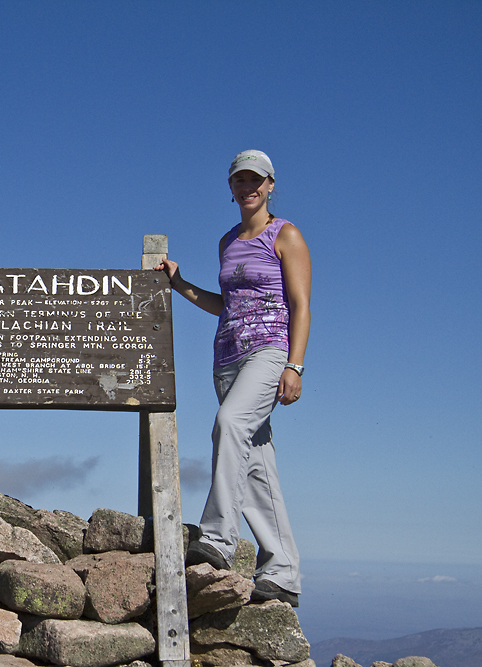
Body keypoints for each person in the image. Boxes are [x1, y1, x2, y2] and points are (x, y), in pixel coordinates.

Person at [155, 149, 311, 607]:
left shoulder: (286, 235)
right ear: (231, 188)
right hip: (227, 357)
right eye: (240, 181)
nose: (248, 188)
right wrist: (181, 284)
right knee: (257, 463)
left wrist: (294, 365)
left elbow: (300, 305)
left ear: (270, 184)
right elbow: (227, 304)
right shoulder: (228, 242)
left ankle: (219, 539)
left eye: (256, 181)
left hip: (270, 351)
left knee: (229, 425)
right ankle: (282, 570)